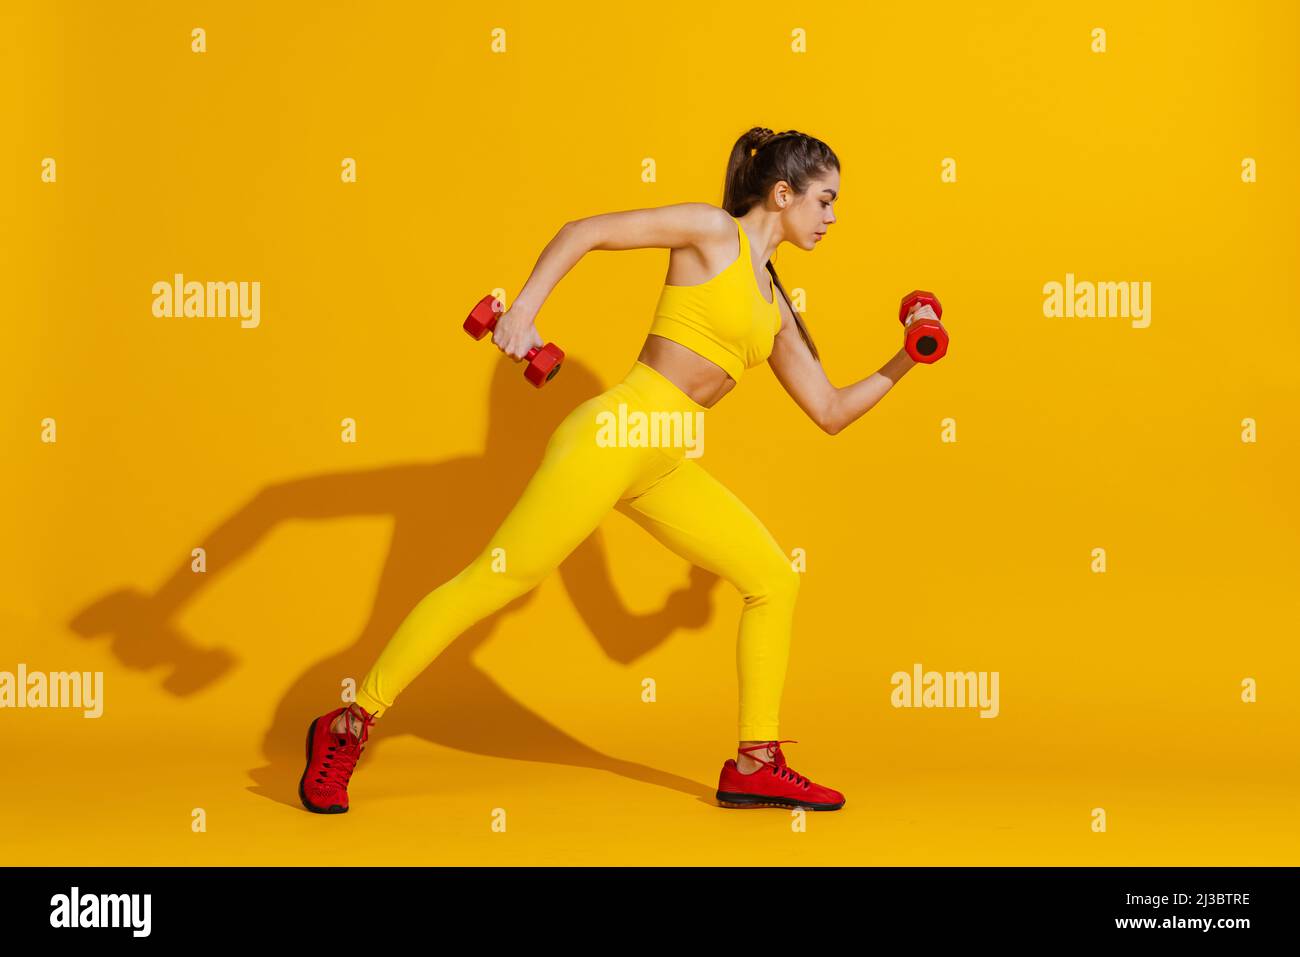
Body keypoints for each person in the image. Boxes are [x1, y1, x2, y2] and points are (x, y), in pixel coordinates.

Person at [299, 127, 928, 814]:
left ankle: (755, 760)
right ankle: (350, 721)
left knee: (773, 577)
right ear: (784, 194)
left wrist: (907, 357)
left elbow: (831, 409)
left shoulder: (774, 303)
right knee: (500, 575)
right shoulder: (710, 231)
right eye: (826, 200)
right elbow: (583, 231)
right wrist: (526, 310)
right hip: (617, 429)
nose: (834, 217)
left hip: (664, 456)